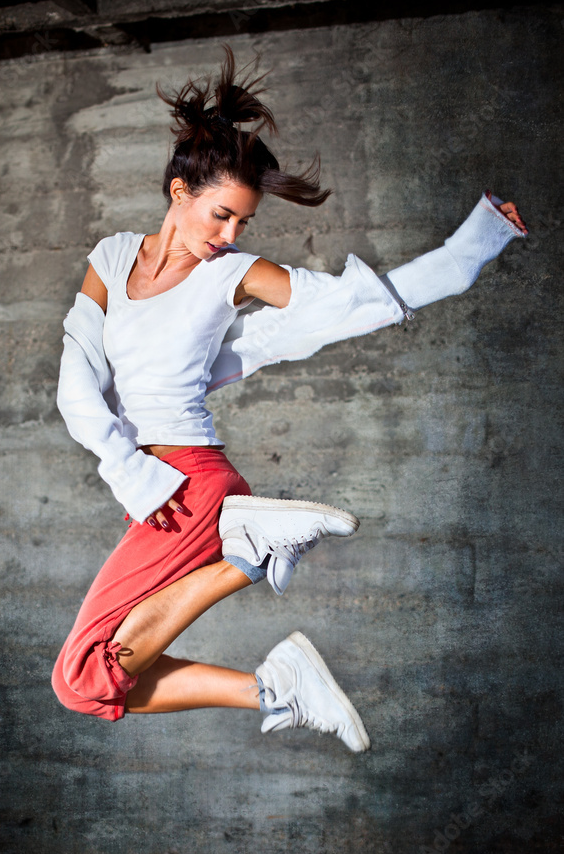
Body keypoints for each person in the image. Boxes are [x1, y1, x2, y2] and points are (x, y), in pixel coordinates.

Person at [51, 48, 527, 752]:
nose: (230, 236)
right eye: (220, 215)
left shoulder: (233, 274)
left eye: (242, 223)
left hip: (188, 482)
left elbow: (343, 306)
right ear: (179, 191)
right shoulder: (113, 255)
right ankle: (273, 681)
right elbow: (76, 377)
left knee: (81, 680)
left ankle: (246, 561)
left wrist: (466, 253)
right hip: (151, 481)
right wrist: (126, 468)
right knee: (91, 681)